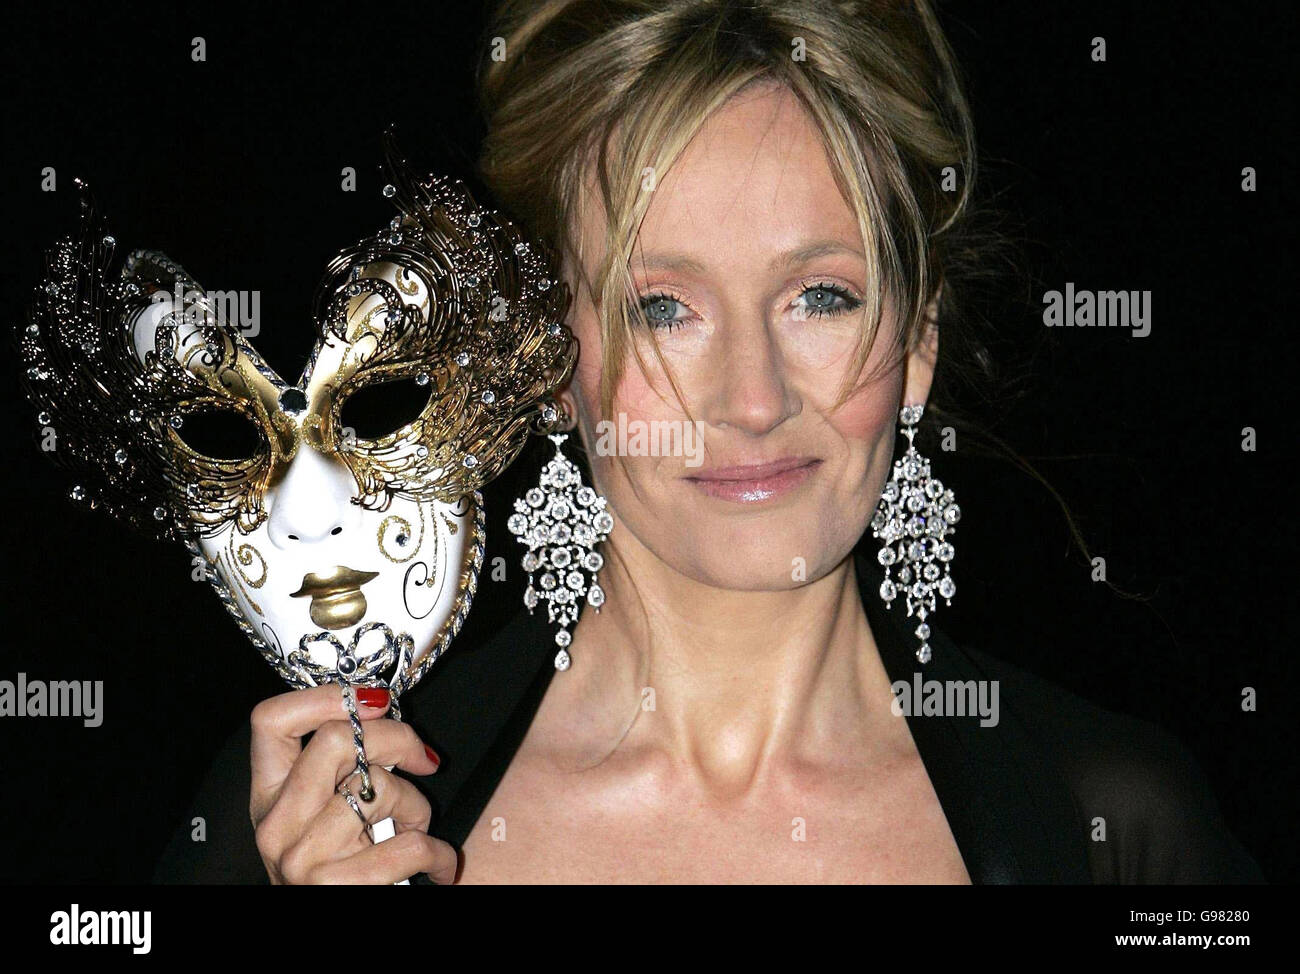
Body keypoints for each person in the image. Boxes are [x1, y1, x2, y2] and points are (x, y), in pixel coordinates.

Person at [155, 0, 1262, 884]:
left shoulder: (1113, 824)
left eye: (820, 295)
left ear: (919, 339)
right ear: (549, 357)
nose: (750, 398)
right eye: (663, 307)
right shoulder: (318, 814)